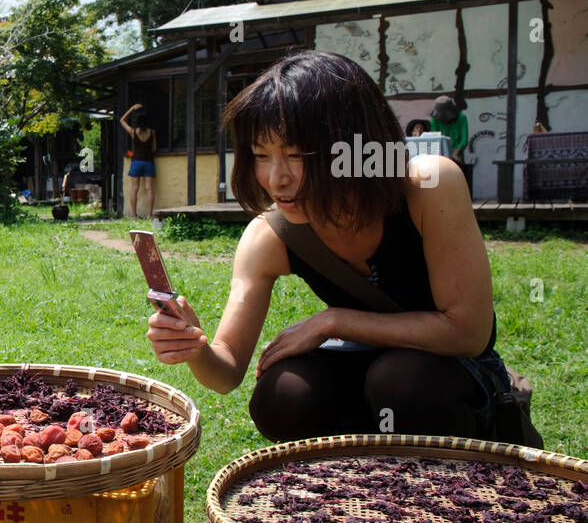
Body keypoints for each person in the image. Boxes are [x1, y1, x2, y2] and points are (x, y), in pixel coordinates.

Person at [146, 50, 513, 443]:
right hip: (362, 371)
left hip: (448, 375)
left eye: (294, 155)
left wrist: (334, 320)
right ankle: (352, 478)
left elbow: (468, 332)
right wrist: (196, 347)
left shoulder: (428, 186)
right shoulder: (269, 235)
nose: (276, 178)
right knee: (283, 393)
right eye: (260, 155)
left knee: (400, 381)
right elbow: (227, 370)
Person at [120, 103, 157, 219]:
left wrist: (131, 109)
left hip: (136, 162)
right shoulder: (152, 132)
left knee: (134, 189)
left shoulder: (133, 132)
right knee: (149, 188)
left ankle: (135, 215)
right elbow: (154, 148)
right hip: (148, 162)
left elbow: (122, 120)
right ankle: (150, 214)